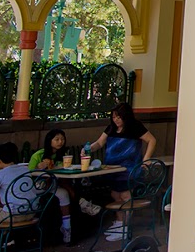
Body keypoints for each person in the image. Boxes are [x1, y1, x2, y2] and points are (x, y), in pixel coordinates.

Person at [83, 102, 157, 243]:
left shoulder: (135, 127)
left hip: (129, 168)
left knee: (125, 195)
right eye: (114, 117)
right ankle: (119, 221)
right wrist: (88, 148)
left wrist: (146, 160)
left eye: (119, 117)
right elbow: (99, 143)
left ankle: (124, 226)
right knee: (115, 195)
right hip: (112, 169)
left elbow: (151, 140)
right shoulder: (111, 128)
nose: (116, 120)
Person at [29, 128, 98, 243]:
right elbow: (29, 173)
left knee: (64, 192)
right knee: (61, 182)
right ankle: (81, 202)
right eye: (57, 139)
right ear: (49, 140)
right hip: (40, 185)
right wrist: (39, 167)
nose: (60, 142)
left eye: (62, 139)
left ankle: (67, 228)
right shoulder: (39, 155)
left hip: (56, 185)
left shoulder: (63, 155)